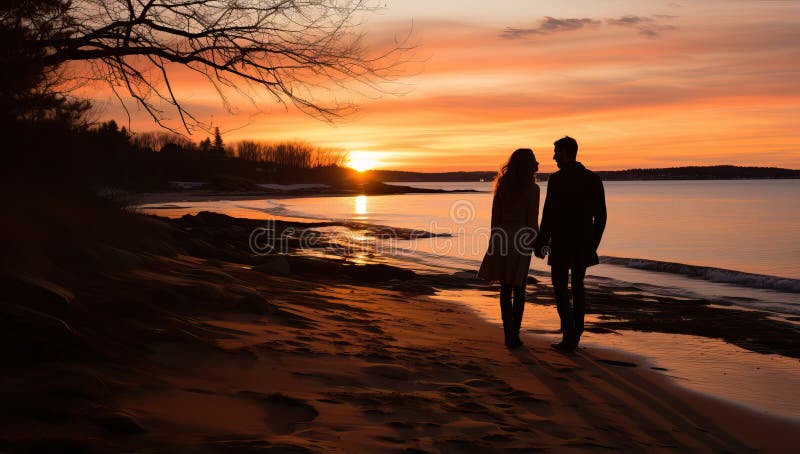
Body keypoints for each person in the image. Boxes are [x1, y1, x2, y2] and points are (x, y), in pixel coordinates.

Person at [535, 136, 606, 352]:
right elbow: (601, 218)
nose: (554, 156)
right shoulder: (593, 179)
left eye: (557, 151)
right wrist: (593, 244)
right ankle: (574, 333)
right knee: (576, 286)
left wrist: (542, 242)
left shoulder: (557, 179)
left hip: (565, 242)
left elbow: (549, 215)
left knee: (562, 288)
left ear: (567, 152)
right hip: (580, 243)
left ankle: (570, 334)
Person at [477, 148, 540, 349]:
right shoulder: (533, 189)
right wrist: (538, 243)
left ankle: (508, 333)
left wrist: (493, 241)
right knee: (519, 287)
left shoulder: (502, 185)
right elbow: (532, 222)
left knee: (505, 287)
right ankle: (515, 334)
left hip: (502, 237)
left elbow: (495, 218)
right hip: (522, 238)